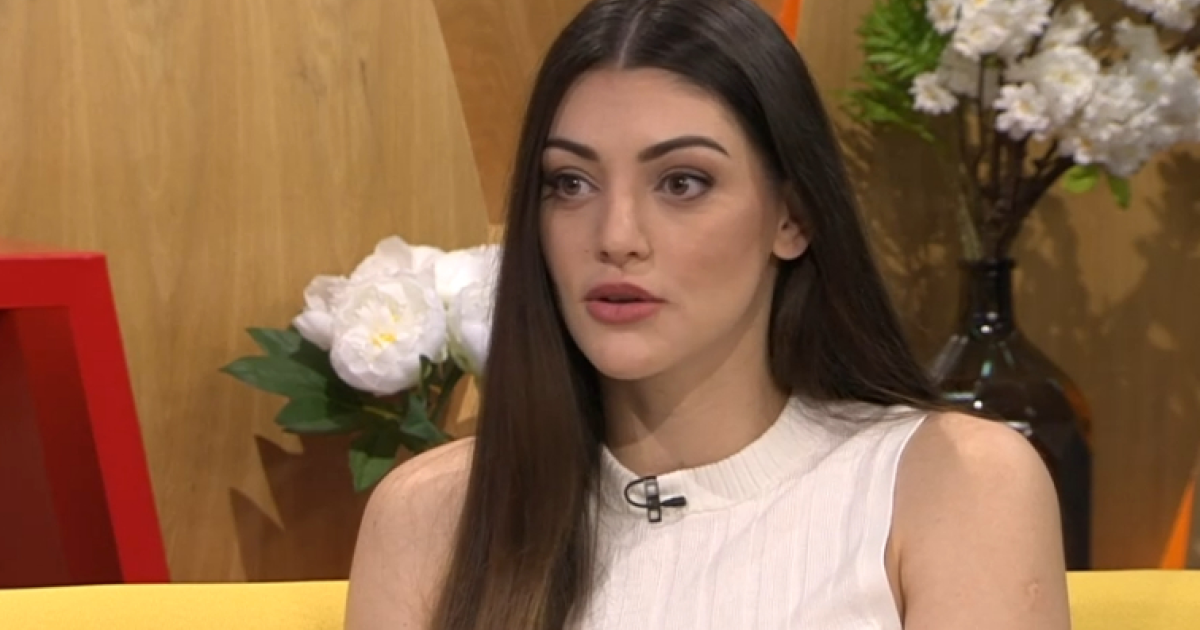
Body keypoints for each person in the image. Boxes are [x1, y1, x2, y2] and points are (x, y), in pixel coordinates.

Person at [343, 0, 1072, 628]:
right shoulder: (433, 515)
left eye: (682, 182)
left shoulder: (954, 484)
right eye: (571, 183)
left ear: (793, 216)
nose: (616, 237)